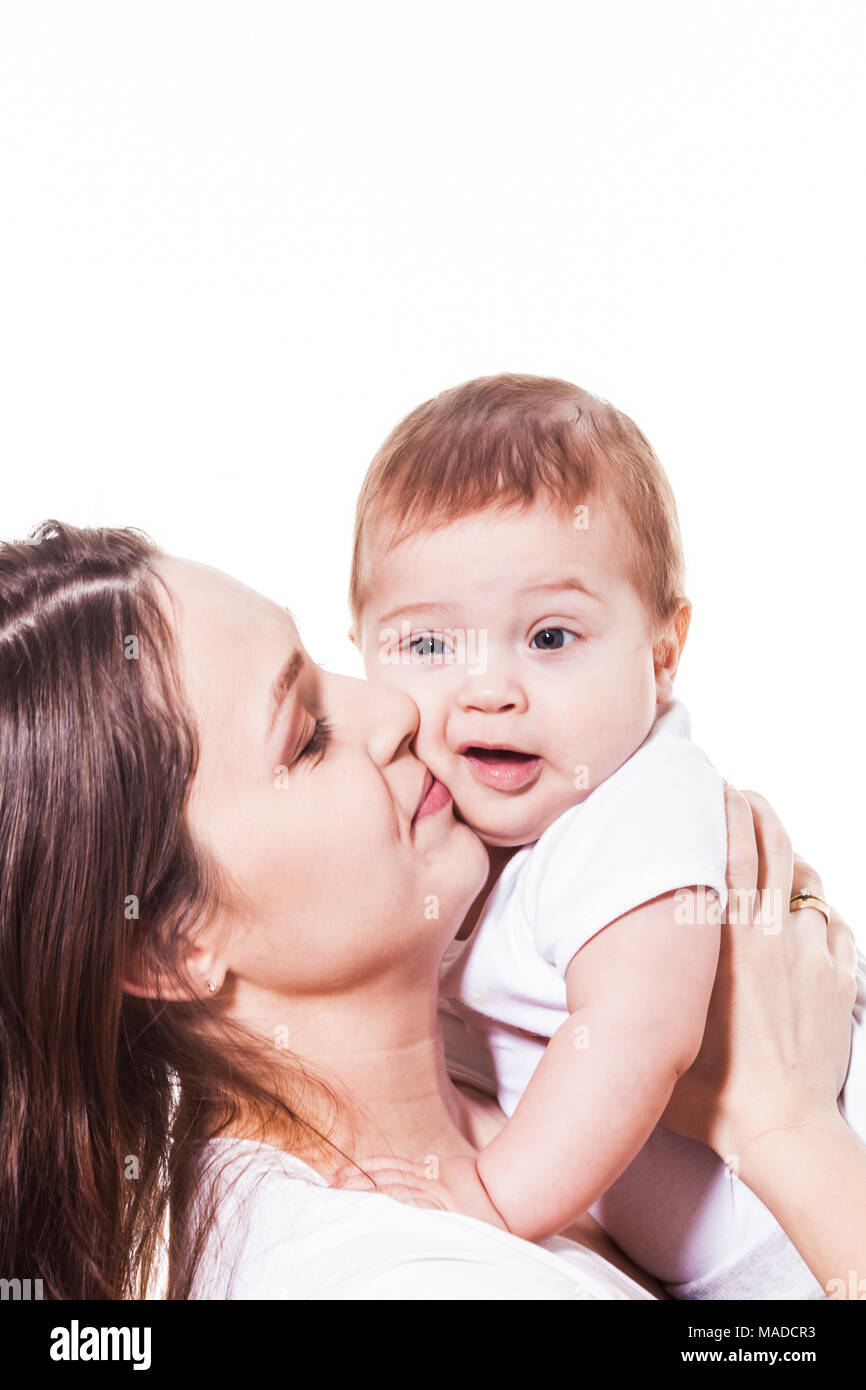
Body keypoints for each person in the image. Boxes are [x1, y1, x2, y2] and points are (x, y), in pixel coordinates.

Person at [0, 521, 860, 1301]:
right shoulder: (384, 1279)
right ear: (170, 945)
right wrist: (787, 1126)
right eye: (307, 736)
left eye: (327, 670)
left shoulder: (522, 1058)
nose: (396, 711)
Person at [346, 373, 866, 1298]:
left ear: (661, 657)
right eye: (428, 645)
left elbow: (639, 1030)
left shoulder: (633, 806)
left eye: (548, 637)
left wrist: (493, 1208)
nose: (488, 689)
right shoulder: (444, 846)